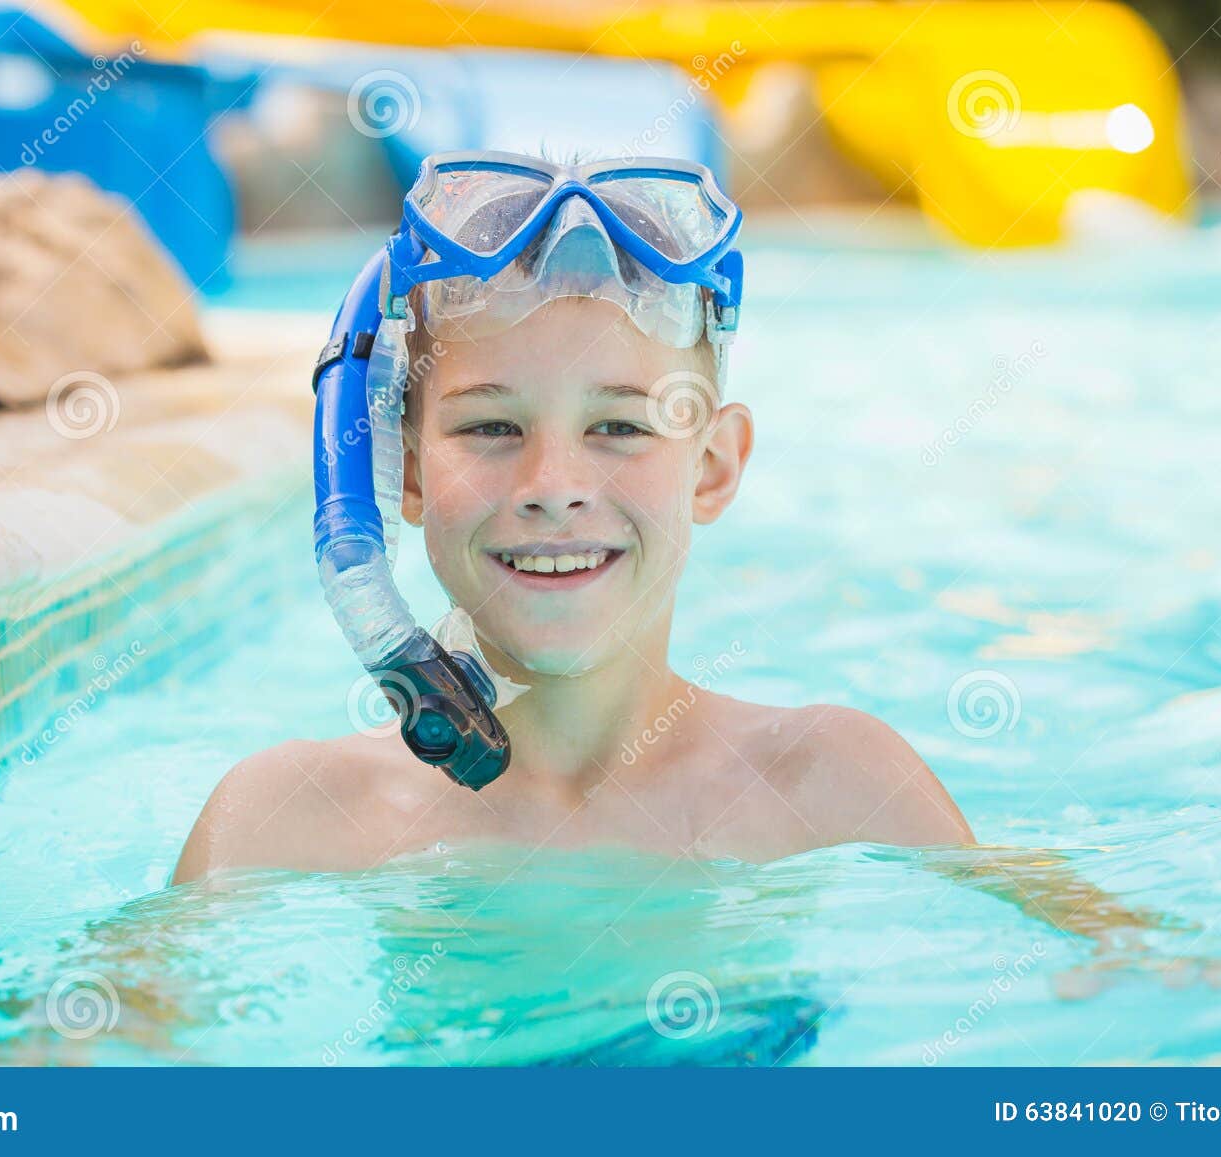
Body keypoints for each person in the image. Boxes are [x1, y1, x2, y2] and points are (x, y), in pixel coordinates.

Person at [173, 151, 971, 882]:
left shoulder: (836, 788)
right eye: (492, 427)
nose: (552, 485)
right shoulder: (284, 825)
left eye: (619, 426)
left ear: (714, 466)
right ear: (406, 470)